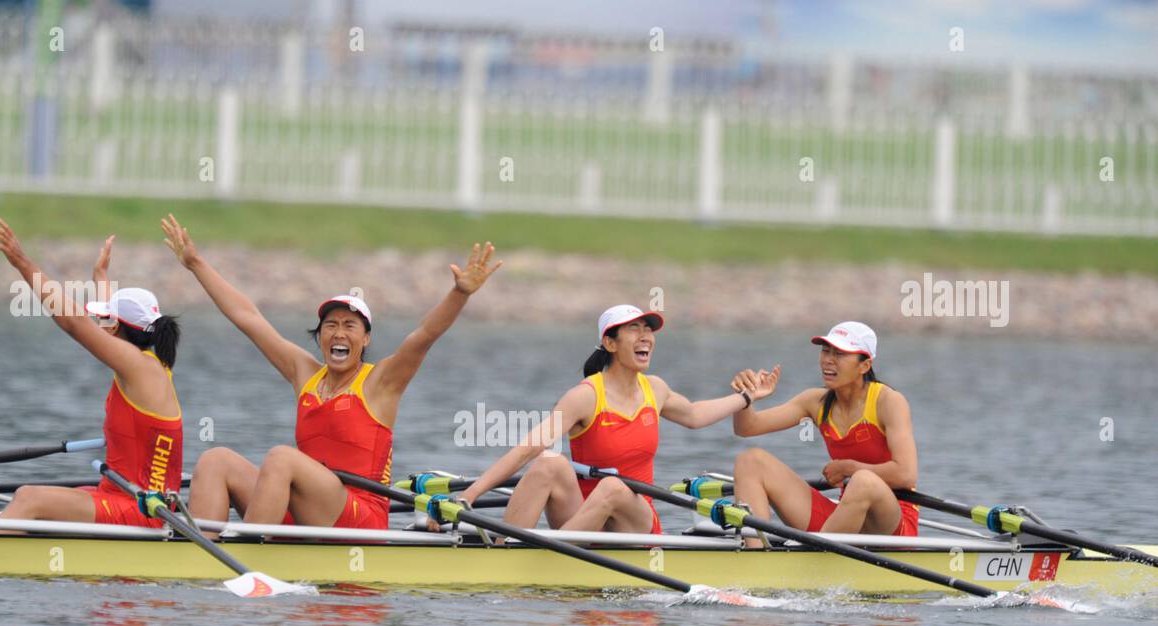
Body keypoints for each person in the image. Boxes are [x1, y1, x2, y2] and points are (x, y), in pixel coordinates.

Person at [161, 214, 501, 528]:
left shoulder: (382, 381)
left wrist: (459, 293)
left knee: (281, 458)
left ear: (365, 338)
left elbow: (424, 336)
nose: (339, 333)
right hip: (308, 509)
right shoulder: (305, 374)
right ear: (320, 336)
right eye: (331, 325)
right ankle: (204, 555)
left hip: (360, 513)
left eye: (350, 325)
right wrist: (195, 264)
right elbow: (249, 318)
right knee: (215, 459)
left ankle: (253, 556)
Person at [451, 305, 776, 533]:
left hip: (635, 523)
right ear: (609, 343)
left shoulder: (656, 390)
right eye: (634, 329)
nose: (645, 336)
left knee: (613, 487)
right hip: (583, 519)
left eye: (648, 329)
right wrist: (471, 494)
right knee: (549, 462)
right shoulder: (586, 396)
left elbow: (694, 415)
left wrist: (747, 397)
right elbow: (528, 447)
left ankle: (547, 560)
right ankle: (505, 546)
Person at [0, 219, 183, 527]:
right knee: (42, 499)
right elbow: (108, 322)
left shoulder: (138, 367)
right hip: (128, 498)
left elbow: (75, 324)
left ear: (116, 327)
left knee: (29, 497)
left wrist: (22, 263)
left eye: (105, 320)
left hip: (141, 510)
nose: (99, 325)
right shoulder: (151, 365)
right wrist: (100, 276)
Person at [729, 321, 918, 548]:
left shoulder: (888, 401)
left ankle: (812, 565)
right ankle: (756, 562)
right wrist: (746, 397)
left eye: (839, 354)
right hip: (844, 519)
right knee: (750, 461)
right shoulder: (815, 402)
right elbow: (746, 428)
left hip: (892, 526)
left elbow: (906, 474)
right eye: (826, 351)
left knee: (864, 481)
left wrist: (848, 467)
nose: (828, 359)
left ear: (864, 365)